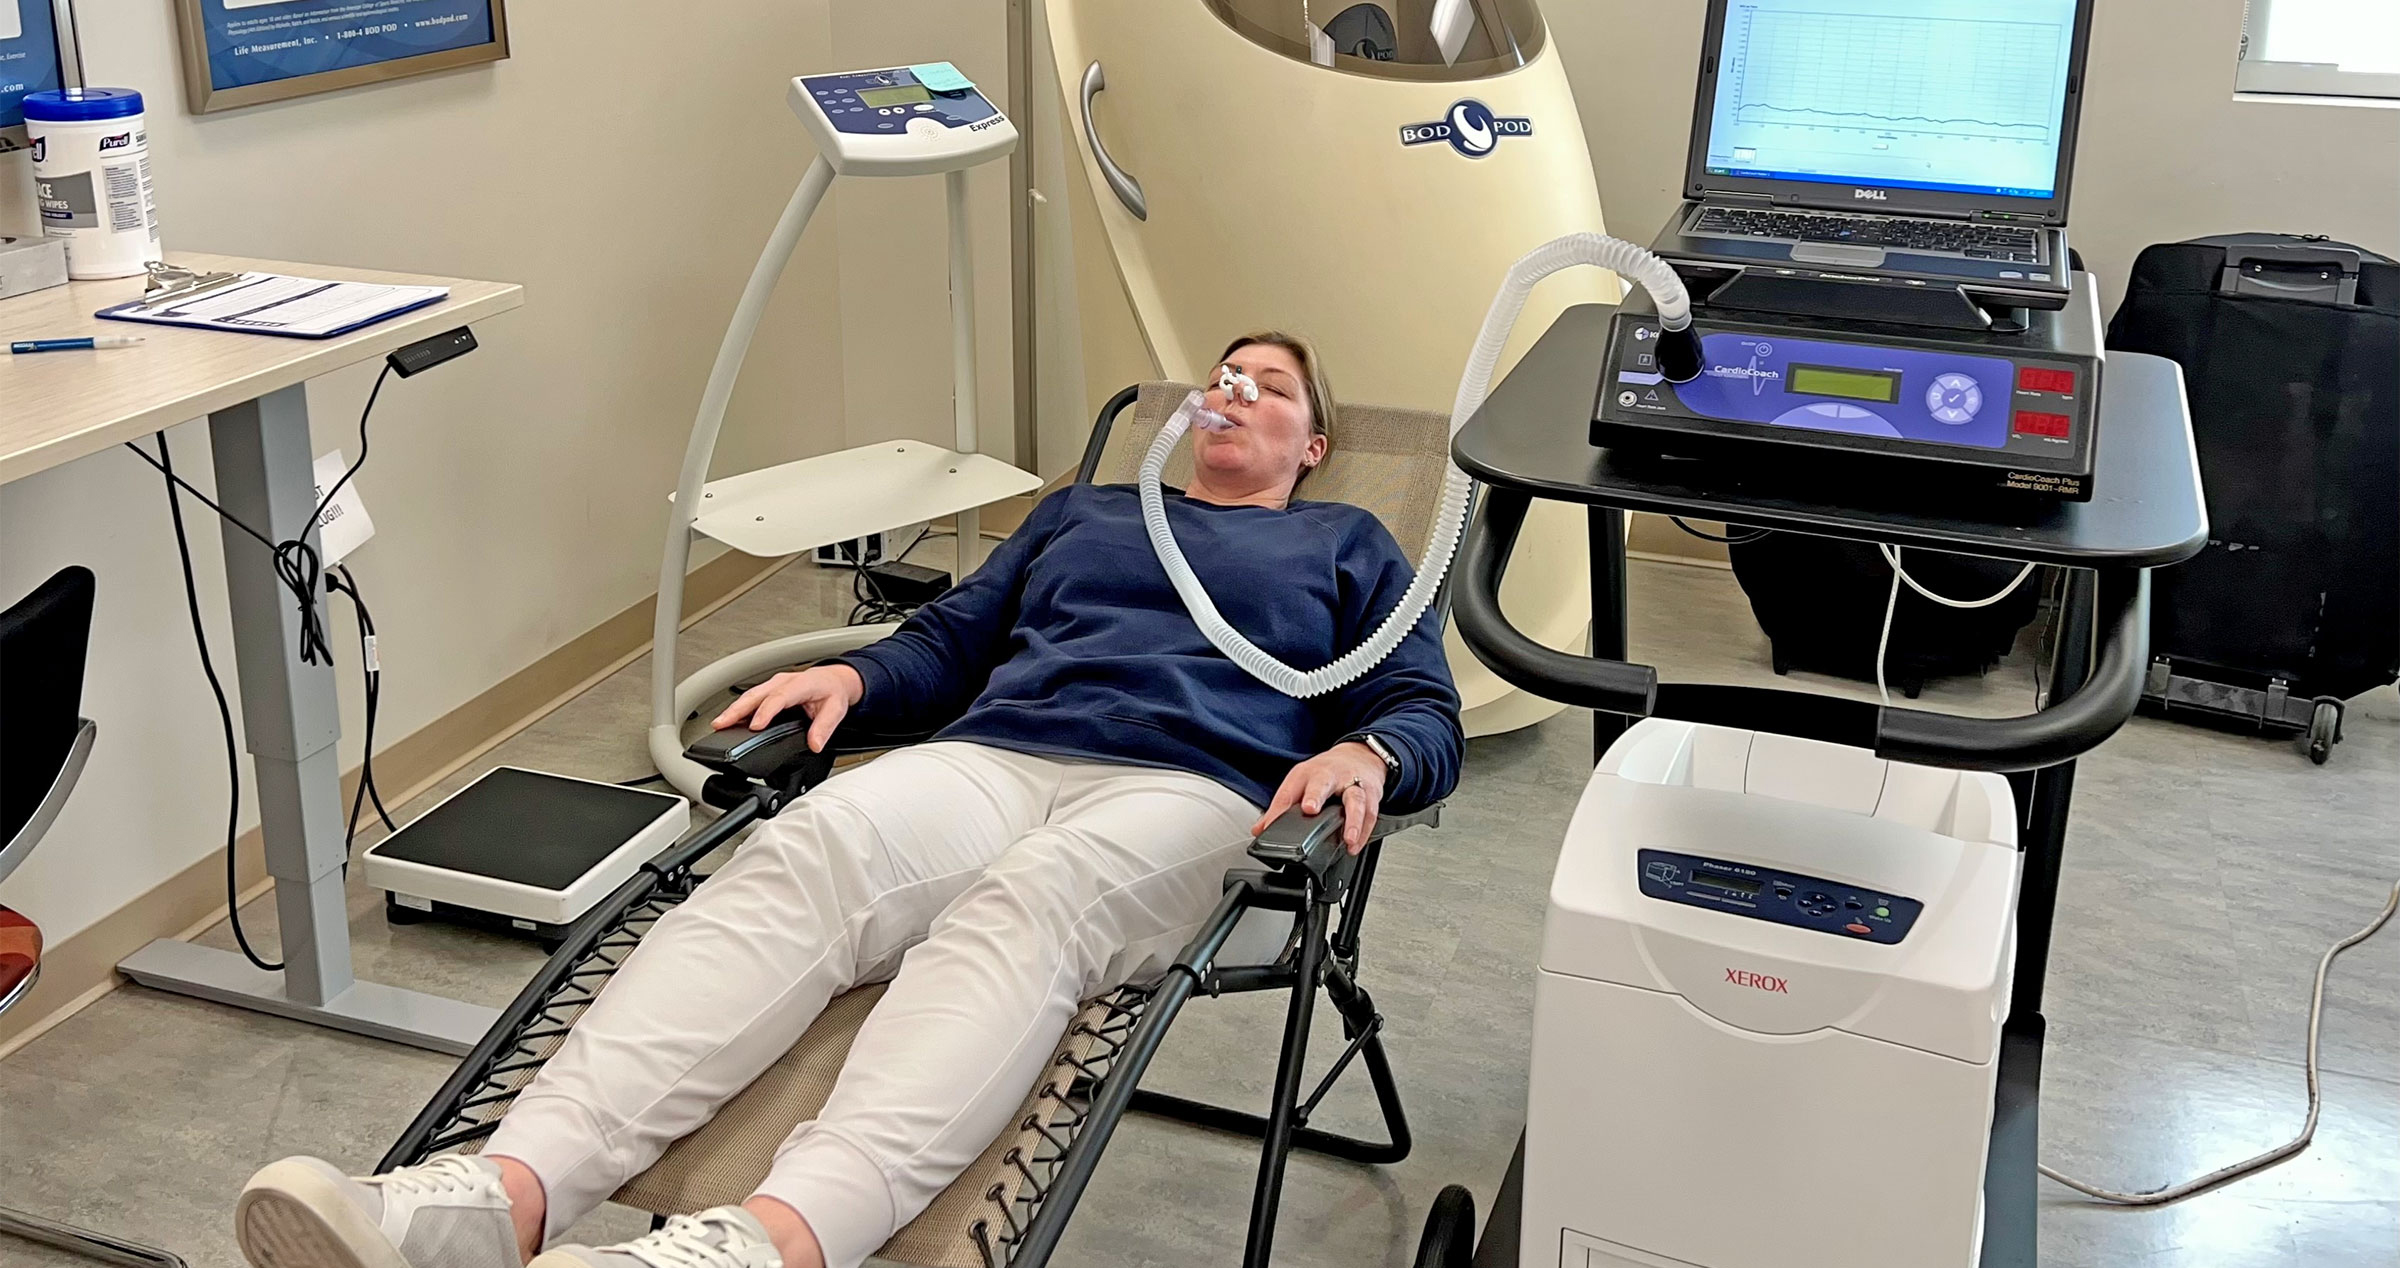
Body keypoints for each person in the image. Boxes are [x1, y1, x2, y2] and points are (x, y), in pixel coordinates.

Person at [232, 332, 1463, 1268]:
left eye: (1272, 387)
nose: (1237, 391)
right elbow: (953, 637)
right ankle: (501, 1197)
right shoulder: (1086, 512)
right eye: (1224, 376)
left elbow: (1421, 705)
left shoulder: (1348, 541)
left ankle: (768, 1241)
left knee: (1030, 902)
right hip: (1001, 753)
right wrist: (857, 674)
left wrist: (1371, 755)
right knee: (809, 846)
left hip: (1191, 789)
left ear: (1312, 445)